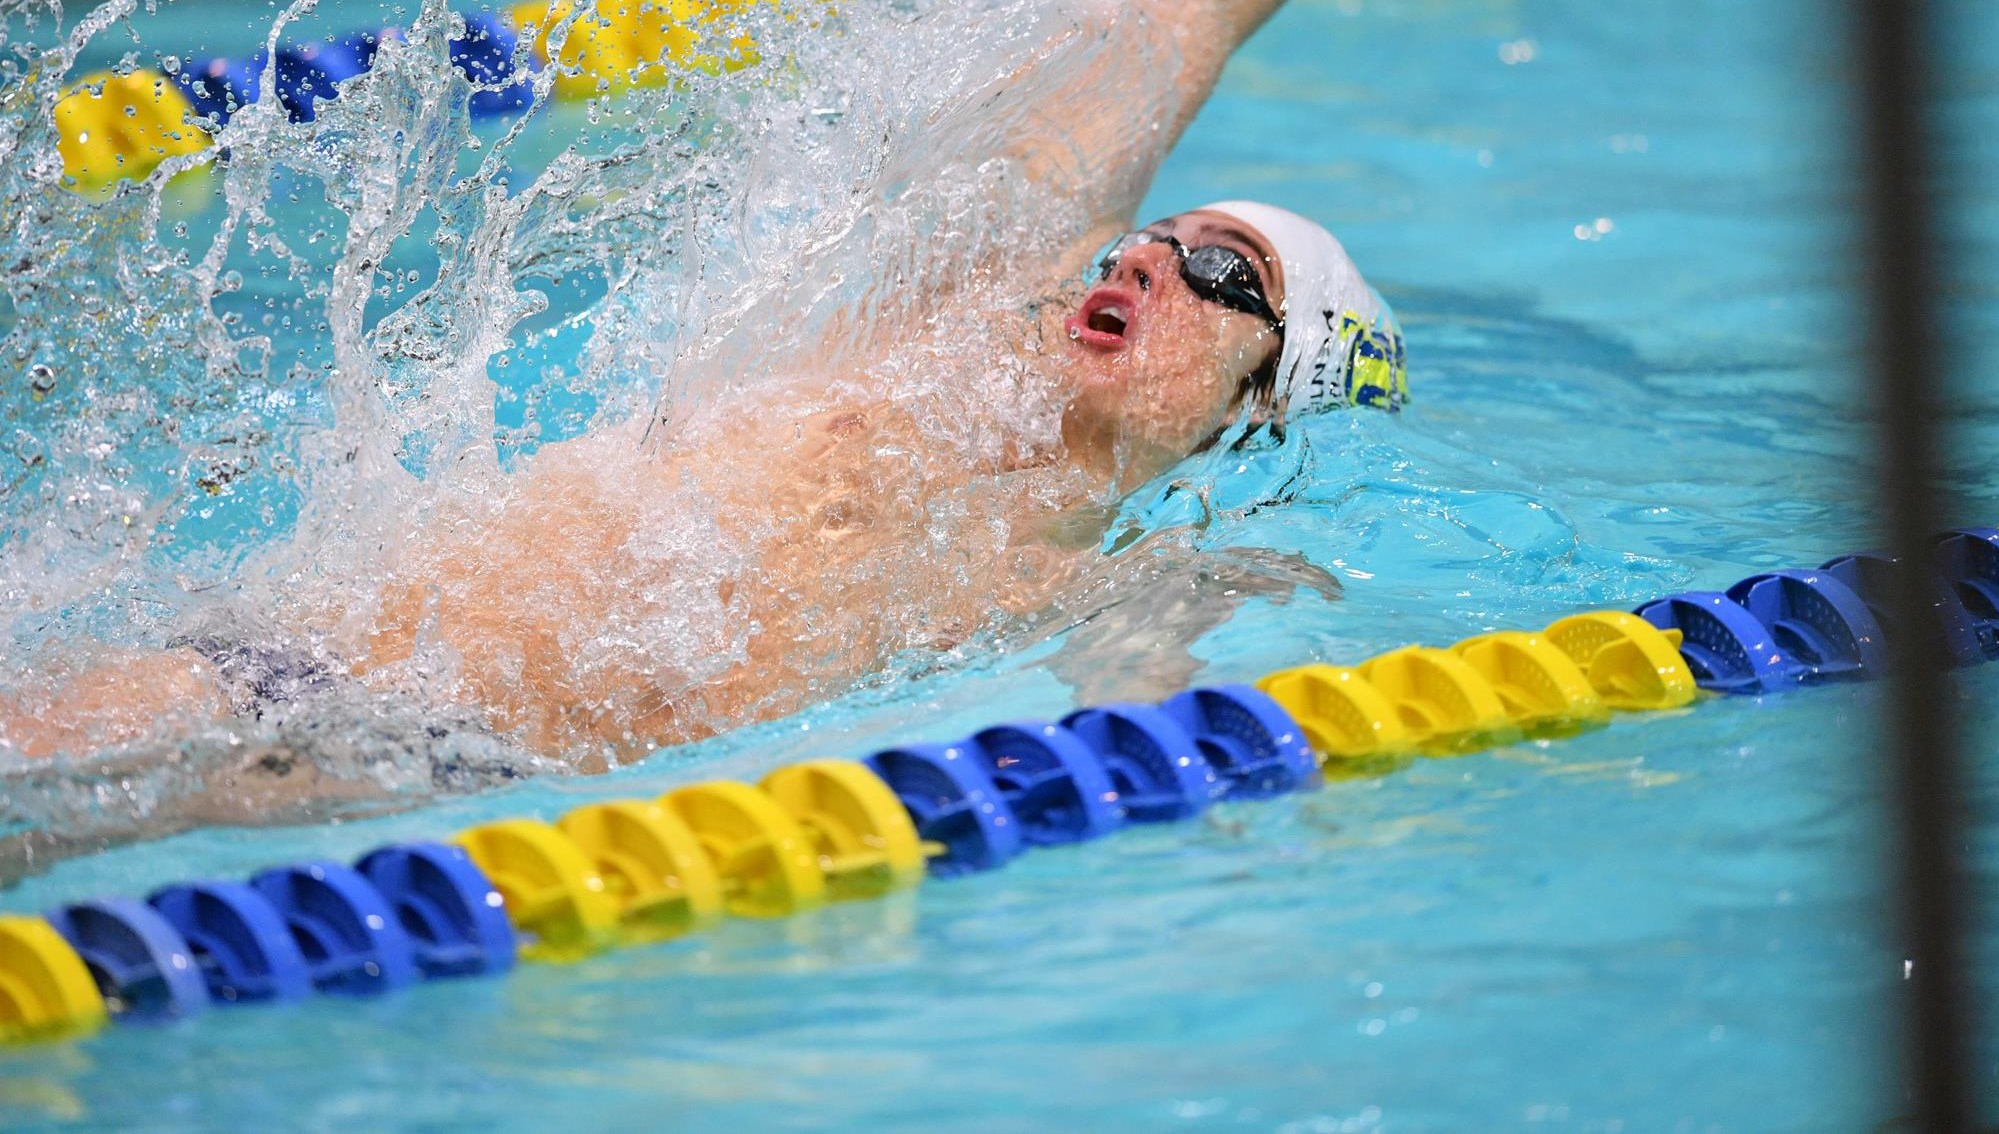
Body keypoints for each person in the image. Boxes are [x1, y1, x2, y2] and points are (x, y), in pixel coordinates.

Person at [0, 0, 1403, 773]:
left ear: (1261, 402)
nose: (1150, 257)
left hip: (431, 777)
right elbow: (1170, 23)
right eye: (1153, 236)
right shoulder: (943, 334)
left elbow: (1149, 740)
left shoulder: (1097, 585)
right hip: (276, 668)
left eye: (1219, 273)